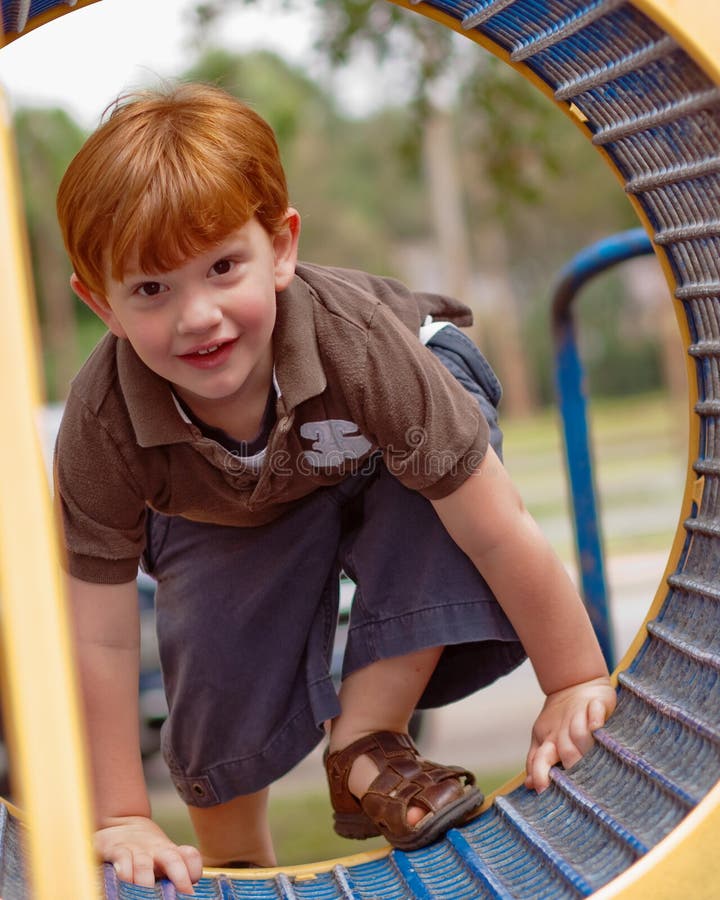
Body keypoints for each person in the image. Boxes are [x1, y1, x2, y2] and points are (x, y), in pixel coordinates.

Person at [53, 82, 616, 894]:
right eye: (151, 289)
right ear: (100, 302)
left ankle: (368, 741)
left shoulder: (360, 346)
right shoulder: (103, 422)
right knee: (210, 628)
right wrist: (120, 815)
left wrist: (573, 680)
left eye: (222, 267)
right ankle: (236, 857)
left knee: (433, 501)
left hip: (391, 438)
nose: (198, 316)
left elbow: (496, 526)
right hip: (233, 495)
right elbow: (100, 634)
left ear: (281, 248)